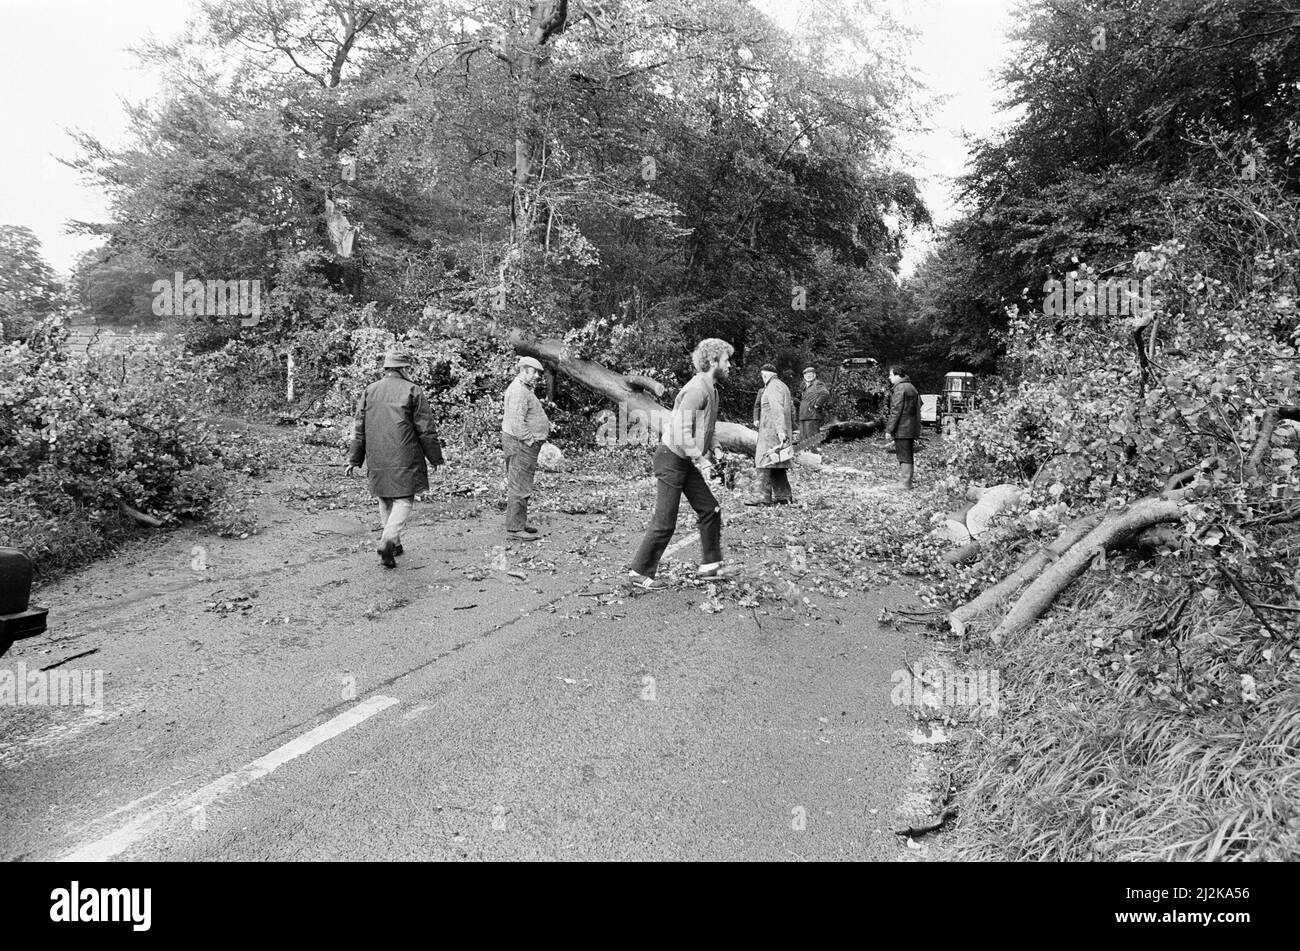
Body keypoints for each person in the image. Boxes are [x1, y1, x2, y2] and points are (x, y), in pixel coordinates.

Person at [628, 338, 735, 588]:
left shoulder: (712, 389)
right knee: (665, 521)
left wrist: (716, 450)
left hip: (683, 461)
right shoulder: (698, 389)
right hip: (671, 459)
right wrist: (701, 459)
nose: (730, 364)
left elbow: (708, 427)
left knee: (710, 509)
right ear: (712, 361)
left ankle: (710, 566)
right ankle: (638, 573)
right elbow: (679, 430)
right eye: (726, 359)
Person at [346, 346, 444, 568]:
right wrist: (436, 458)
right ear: (404, 368)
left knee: (384, 497)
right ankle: (388, 540)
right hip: (404, 455)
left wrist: (354, 459)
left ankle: (395, 545)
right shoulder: (413, 390)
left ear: (387, 368)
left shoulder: (369, 390)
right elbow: (425, 429)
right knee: (403, 499)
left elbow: (359, 427)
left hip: (377, 456)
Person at [501, 356, 550, 542]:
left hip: (522, 443)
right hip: (521, 444)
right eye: (534, 372)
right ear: (524, 370)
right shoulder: (519, 391)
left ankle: (518, 523)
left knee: (522, 483)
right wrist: (530, 440)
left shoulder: (523, 389)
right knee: (519, 484)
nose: (537, 376)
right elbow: (516, 423)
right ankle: (515, 529)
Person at [746, 363, 795, 506]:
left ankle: (761, 496)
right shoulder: (782, 386)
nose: (762, 378)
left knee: (764, 462)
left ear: (766, 375)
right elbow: (790, 410)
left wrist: (780, 431)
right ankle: (783, 496)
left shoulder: (772, 387)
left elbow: (777, 409)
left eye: (762, 375)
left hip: (771, 432)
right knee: (777, 463)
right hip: (776, 431)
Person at [886, 364, 921, 489]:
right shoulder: (912, 387)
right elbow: (919, 405)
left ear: (897, 375)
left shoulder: (900, 388)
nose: (889, 378)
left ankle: (905, 483)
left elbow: (896, 410)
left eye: (891, 375)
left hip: (902, 428)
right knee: (908, 453)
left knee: (903, 454)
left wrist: (889, 429)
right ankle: (907, 481)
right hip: (911, 426)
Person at [798, 366, 831, 442]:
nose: (808, 376)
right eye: (806, 374)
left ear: (814, 375)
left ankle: (815, 453)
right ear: (804, 376)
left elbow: (825, 394)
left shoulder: (818, 384)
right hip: (804, 416)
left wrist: (816, 405)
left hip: (812, 416)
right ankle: (806, 454)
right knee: (803, 441)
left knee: (813, 440)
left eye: (810, 374)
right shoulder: (804, 386)